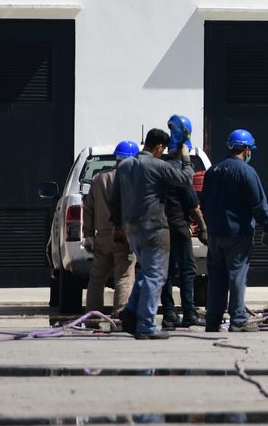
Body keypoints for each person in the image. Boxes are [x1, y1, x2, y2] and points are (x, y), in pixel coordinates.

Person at [109, 128, 194, 339]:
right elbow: (186, 179)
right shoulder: (158, 165)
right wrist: (185, 157)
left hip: (132, 230)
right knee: (156, 276)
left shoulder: (125, 166)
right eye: (162, 149)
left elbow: (115, 199)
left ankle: (130, 314)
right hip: (154, 228)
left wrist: (118, 226)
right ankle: (146, 325)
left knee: (146, 273)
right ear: (158, 147)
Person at [200, 129, 268, 332]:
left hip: (216, 234)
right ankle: (238, 320)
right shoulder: (246, 172)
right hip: (238, 234)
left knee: (216, 279)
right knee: (237, 276)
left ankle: (212, 321)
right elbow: (258, 204)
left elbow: (204, 201)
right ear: (246, 148)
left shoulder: (213, 170)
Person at [83, 139, 140, 315]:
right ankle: (119, 314)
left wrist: (89, 234)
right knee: (123, 277)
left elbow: (88, 209)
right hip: (123, 235)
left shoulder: (99, 179)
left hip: (102, 236)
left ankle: (92, 314)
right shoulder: (132, 180)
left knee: (97, 278)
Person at [158, 143, 208, 330]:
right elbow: (193, 205)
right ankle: (189, 313)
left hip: (161, 226)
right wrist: (203, 227)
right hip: (179, 226)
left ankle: (169, 314)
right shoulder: (180, 170)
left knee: (166, 272)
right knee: (187, 270)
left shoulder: (159, 168)